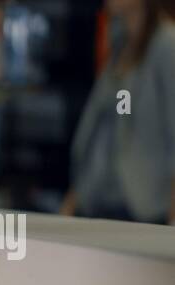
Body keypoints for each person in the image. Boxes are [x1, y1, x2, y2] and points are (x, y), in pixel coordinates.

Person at [64, 0, 175, 224]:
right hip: (99, 204)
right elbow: (109, 129)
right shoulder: (119, 46)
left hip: (145, 211)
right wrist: (75, 196)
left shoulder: (167, 45)